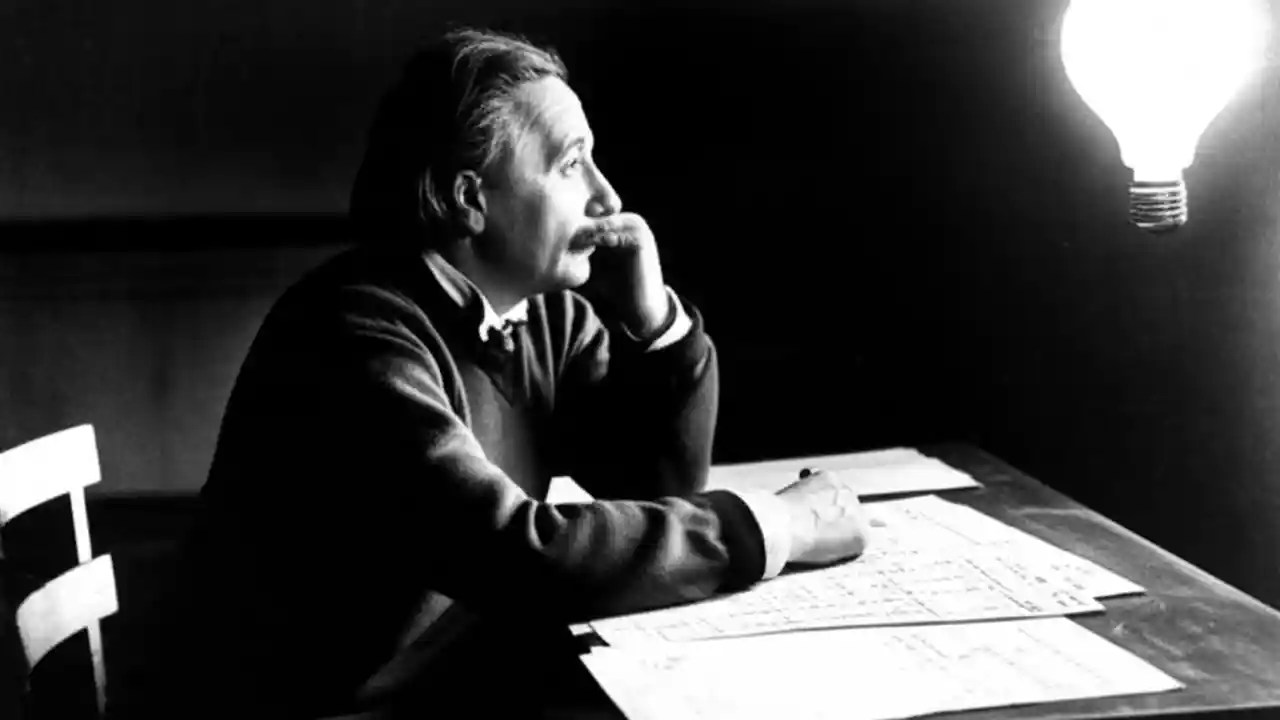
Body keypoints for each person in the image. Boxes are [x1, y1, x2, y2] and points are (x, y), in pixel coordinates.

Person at [110, 27, 873, 719]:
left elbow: (653, 485)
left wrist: (656, 328)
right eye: (572, 164)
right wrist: (778, 523)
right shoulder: (356, 334)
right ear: (472, 199)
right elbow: (519, 556)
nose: (608, 197)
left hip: (441, 680)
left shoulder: (541, 313)